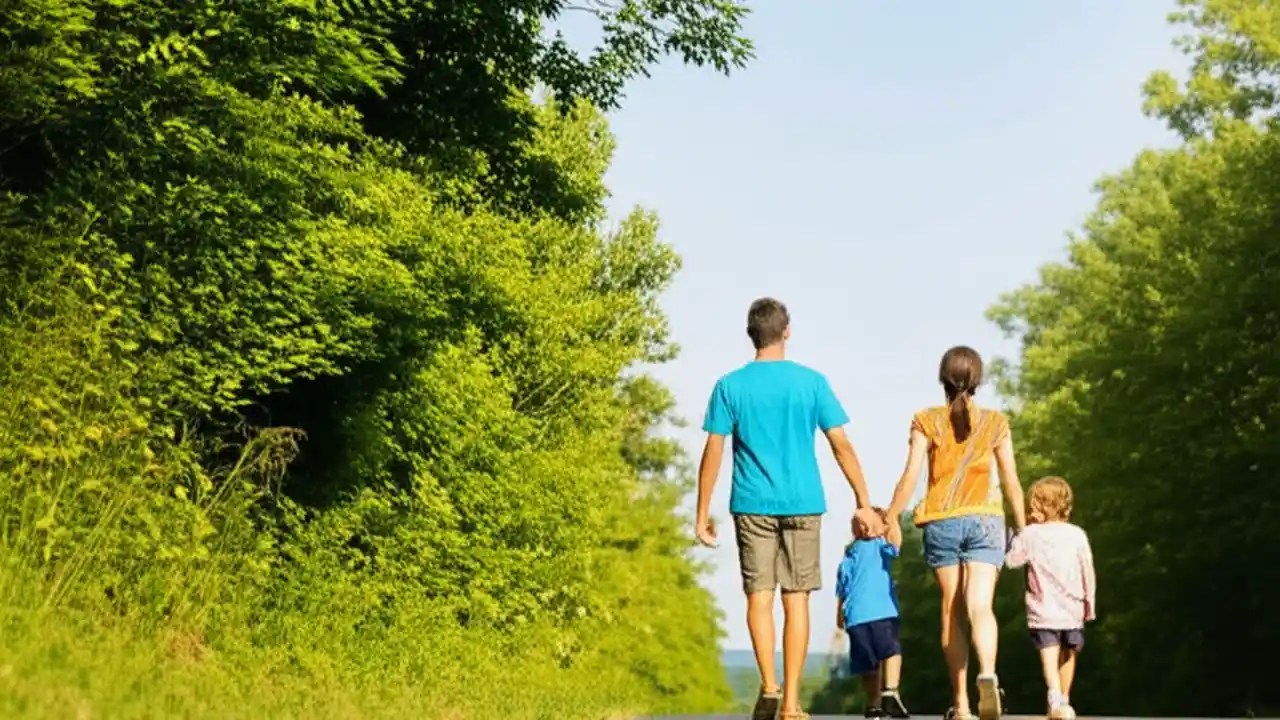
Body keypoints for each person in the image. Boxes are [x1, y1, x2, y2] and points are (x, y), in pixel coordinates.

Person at [695, 297, 883, 720]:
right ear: (787, 331)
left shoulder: (730, 386)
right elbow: (841, 445)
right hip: (803, 502)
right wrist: (863, 502)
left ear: (751, 335)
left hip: (751, 504)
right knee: (796, 600)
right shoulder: (812, 383)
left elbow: (713, 450)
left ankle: (769, 685)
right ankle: (793, 705)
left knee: (759, 598)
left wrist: (701, 511)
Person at [884, 346, 1026, 720]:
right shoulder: (996, 423)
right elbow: (1011, 480)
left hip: (943, 520)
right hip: (986, 519)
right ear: (978, 380)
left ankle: (961, 704)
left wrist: (892, 516)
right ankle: (988, 673)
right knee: (981, 606)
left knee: (951, 610)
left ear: (942, 380)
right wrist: (1024, 527)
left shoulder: (926, 420)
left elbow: (911, 475)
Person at [1005, 476, 1097, 720]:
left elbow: (1012, 561)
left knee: (1049, 652)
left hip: (1042, 606)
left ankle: (1056, 696)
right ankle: (1062, 698)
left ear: (1042, 506)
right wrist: (1090, 603)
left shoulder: (1030, 534)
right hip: (1073, 606)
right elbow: (1088, 570)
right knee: (1068, 652)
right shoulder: (1077, 534)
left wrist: (1013, 535)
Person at [835, 508, 910, 719]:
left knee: (868, 663)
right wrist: (892, 520)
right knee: (891, 651)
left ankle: (873, 704)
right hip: (882, 611)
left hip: (856, 617)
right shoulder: (879, 545)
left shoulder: (851, 552)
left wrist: (839, 613)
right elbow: (896, 544)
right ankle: (890, 692)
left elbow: (842, 584)